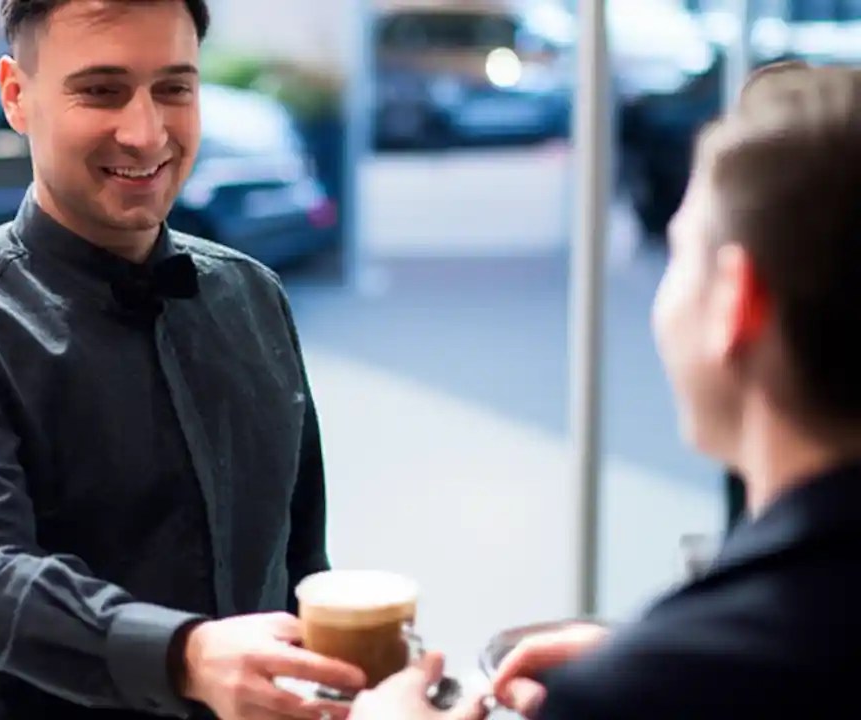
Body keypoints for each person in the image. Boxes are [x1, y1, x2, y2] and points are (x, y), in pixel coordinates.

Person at [0, 1, 367, 718]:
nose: (146, 132)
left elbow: (298, 558)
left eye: (174, 88)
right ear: (17, 95)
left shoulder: (252, 296)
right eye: (101, 91)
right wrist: (186, 657)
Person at [348, 61, 861, 719]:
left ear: (736, 301)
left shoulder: (659, 687)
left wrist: (642, 679)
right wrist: (649, 654)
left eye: (680, 253)